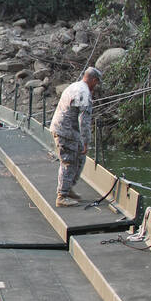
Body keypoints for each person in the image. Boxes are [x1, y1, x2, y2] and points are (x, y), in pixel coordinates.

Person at [49, 66, 102, 207]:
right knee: (69, 162)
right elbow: (84, 121)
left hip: (65, 130)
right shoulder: (84, 93)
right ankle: (62, 196)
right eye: (96, 83)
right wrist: (86, 142)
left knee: (80, 158)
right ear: (94, 80)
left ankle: (69, 187)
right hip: (66, 132)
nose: (96, 86)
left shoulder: (75, 86)